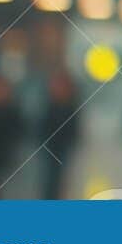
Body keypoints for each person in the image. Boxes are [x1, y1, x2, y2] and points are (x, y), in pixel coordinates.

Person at [37, 70, 81, 200]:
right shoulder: (48, 105)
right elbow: (41, 126)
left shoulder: (70, 107)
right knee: (47, 179)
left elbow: (74, 129)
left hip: (62, 148)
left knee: (58, 179)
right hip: (48, 147)